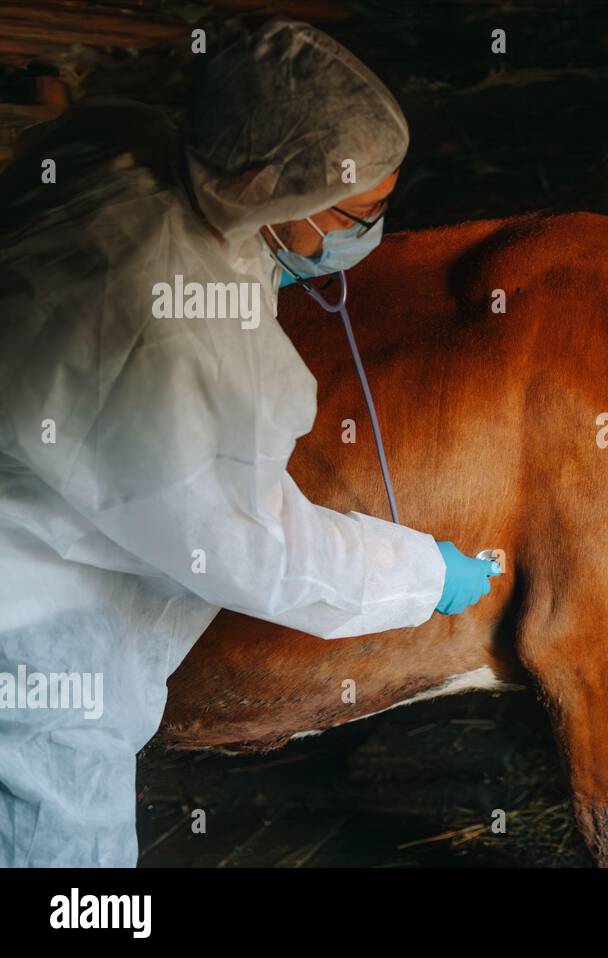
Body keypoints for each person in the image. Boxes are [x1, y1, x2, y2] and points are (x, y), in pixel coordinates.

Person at [0, 19, 494, 867]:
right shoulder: (164, 333)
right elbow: (253, 547)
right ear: (274, 185)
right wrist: (423, 575)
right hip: (32, 635)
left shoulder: (121, 146)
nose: (369, 232)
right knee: (61, 845)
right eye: (359, 212)